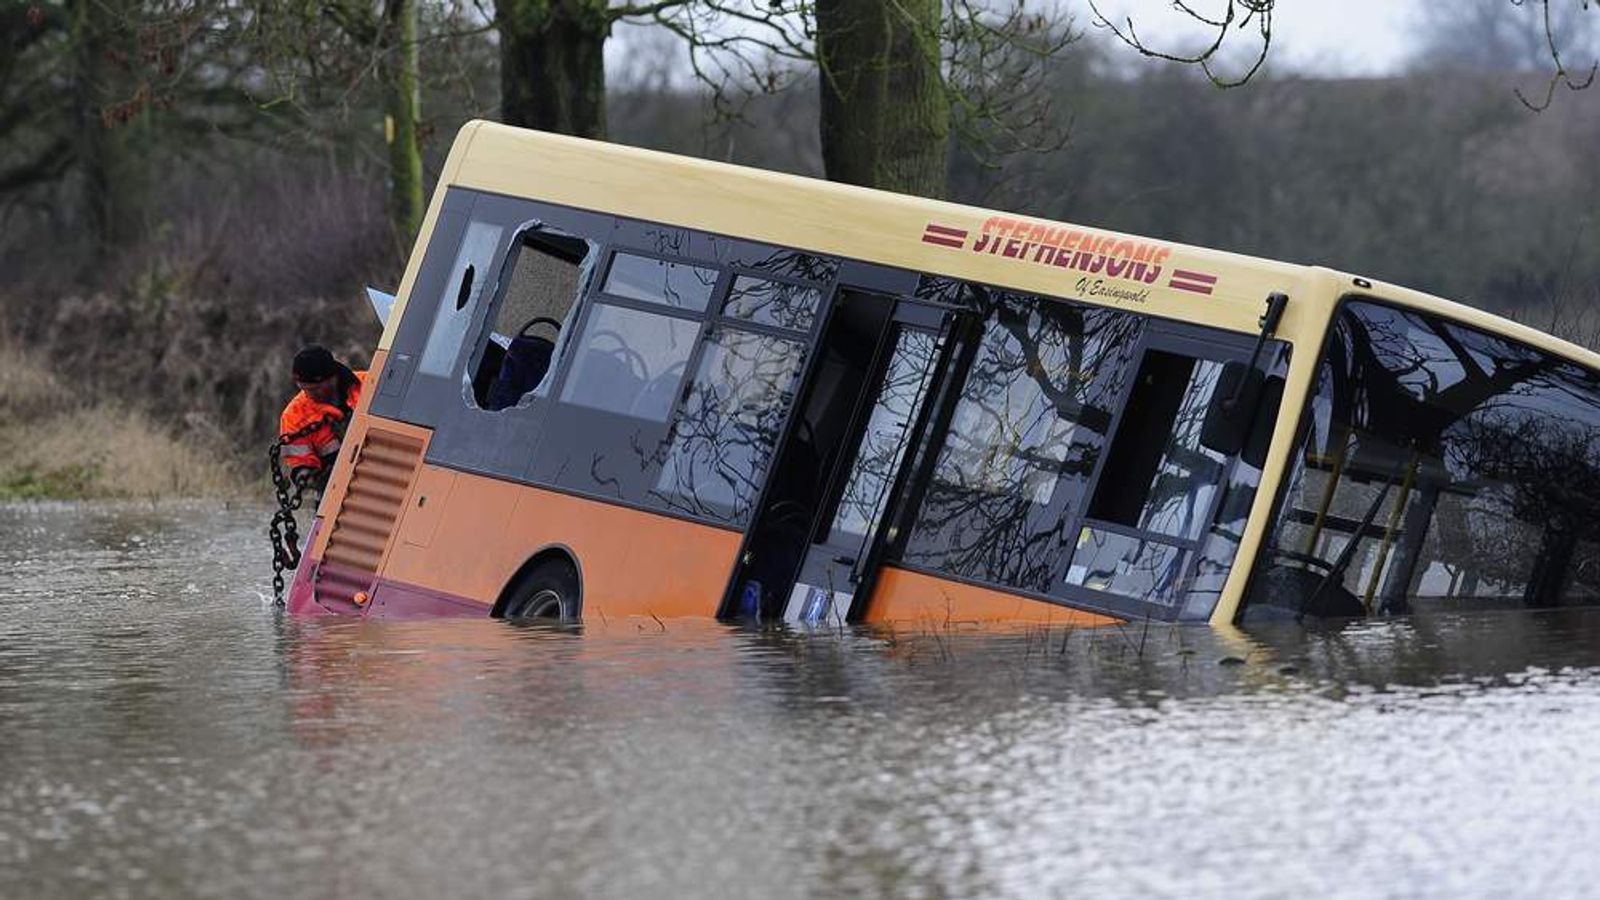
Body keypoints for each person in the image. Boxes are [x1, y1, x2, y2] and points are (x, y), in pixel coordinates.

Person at [279, 345, 367, 489]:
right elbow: (299, 461)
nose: (310, 394)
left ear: (333, 378)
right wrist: (306, 475)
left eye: (316, 388)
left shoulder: (370, 384)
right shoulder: (293, 416)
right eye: (304, 388)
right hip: (336, 487)